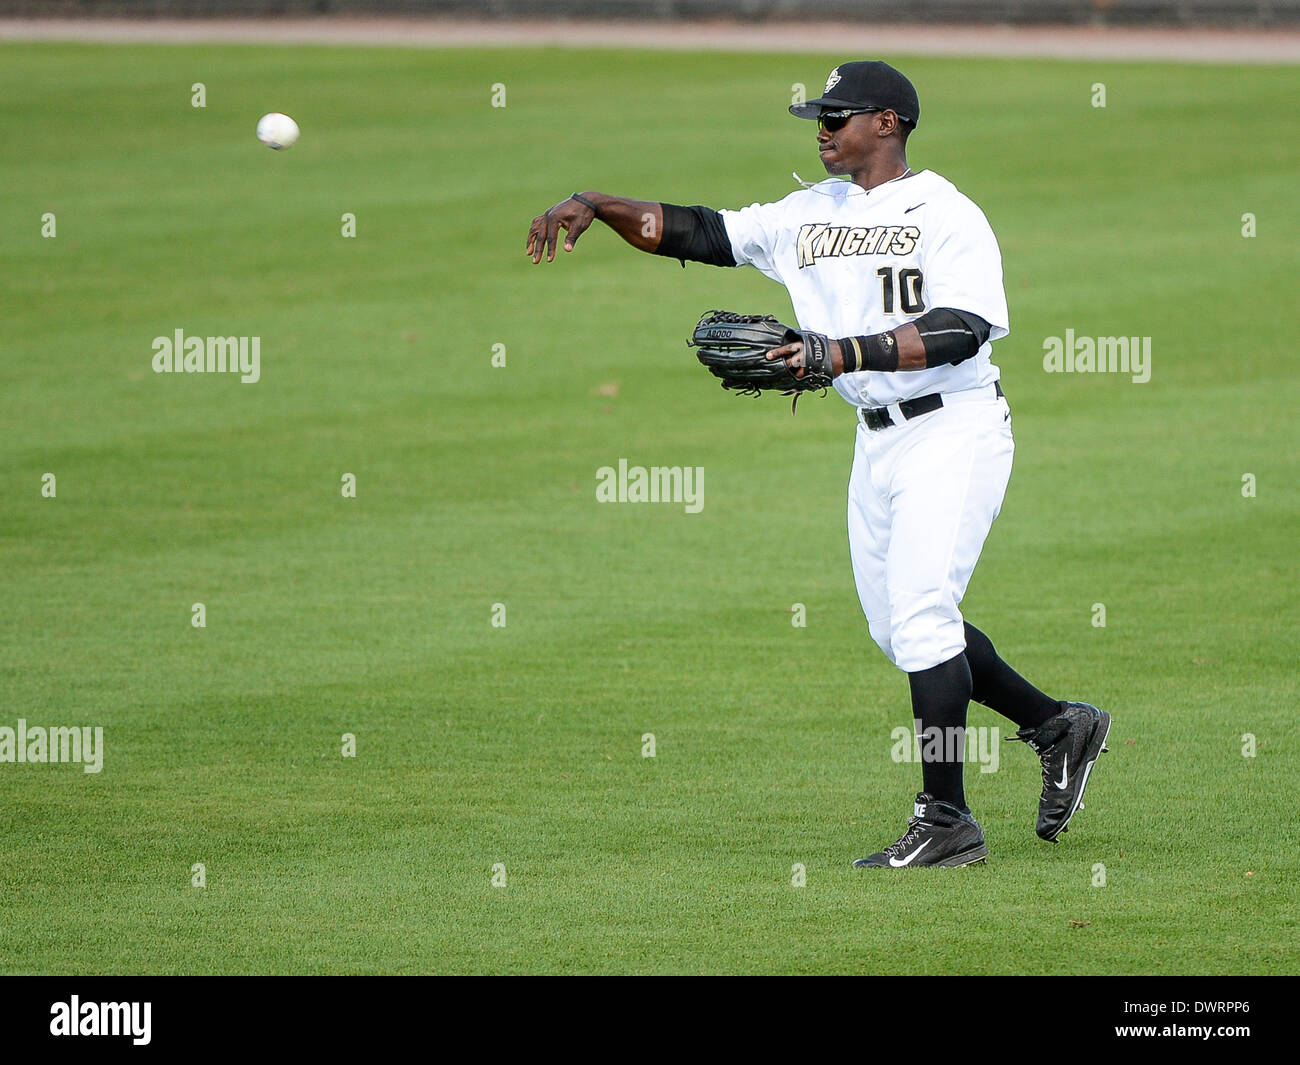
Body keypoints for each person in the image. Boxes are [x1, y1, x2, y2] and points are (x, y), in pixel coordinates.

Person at [526, 60, 1110, 868]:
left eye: (838, 117)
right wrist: (599, 203)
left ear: (889, 123)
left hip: (955, 429)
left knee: (921, 615)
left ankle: (948, 819)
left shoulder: (947, 213)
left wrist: (840, 349)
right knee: (900, 627)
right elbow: (701, 230)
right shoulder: (809, 212)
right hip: (876, 439)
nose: (824, 131)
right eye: (818, 118)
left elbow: (962, 328)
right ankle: (1057, 725)